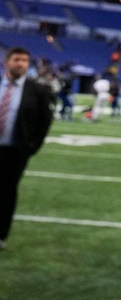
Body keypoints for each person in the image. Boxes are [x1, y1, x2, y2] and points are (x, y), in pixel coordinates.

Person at [0, 47, 54, 250]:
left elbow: (44, 121)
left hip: (15, 150)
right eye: (16, 59)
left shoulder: (38, 90)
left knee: (7, 192)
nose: (21, 64)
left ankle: (1, 234)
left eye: (24, 60)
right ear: (6, 62)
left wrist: (32, 147)